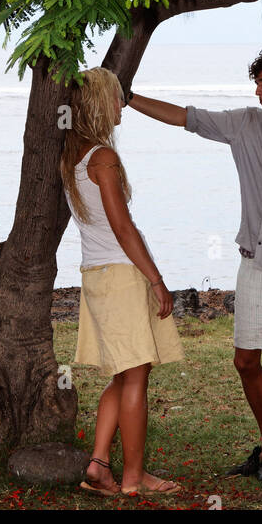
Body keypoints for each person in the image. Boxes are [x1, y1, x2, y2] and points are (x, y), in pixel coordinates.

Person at [125, 45, 262, 487]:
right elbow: (187, 117)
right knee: (245, 361)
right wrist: (127, 98)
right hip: (255, 264)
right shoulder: (244, 124)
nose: (258, 90)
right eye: (256, 83)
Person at [61, 66, 184, 497]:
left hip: (96, 276)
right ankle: (134, 478)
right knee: (136, 377)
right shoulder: (103, 159)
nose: (121, 106)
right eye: (116, 99)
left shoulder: (73, 157)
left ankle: (99, 466)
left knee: (123, 373)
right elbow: (123, 227)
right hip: (120, 275)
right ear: (98, 104)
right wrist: (156, 279)